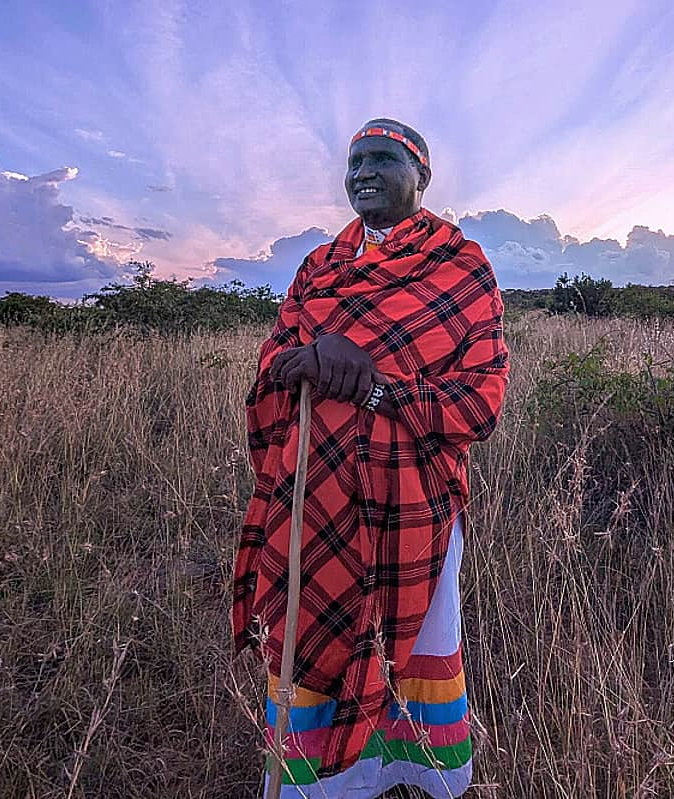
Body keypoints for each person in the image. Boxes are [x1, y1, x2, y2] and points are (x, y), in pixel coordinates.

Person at [232, 118, 508, 798]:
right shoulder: (319, 266)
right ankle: (321, 784)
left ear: (423, 176)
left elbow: (482, 402)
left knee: (413, 648)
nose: (362, 172)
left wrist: (377, 384)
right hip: (312, 497)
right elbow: (274, 360)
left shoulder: (462, 267)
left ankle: (408, 775)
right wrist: (322, 354)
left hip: (415, 508)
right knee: (311, 641)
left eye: (382, 159)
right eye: (354, 161)